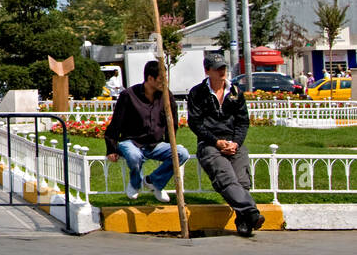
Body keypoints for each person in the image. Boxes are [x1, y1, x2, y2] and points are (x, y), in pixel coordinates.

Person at [187, 51, 264, 237]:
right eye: (217, 69)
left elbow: (243, 122)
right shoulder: (197, 93)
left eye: (223, 68)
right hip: (209, 143)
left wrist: (236, 143)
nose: (222, 72)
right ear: (207, 71)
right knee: (225, 175)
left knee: (242, 180)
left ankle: (243, 219)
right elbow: (195, 123)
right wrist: (216, 141)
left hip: (233, 143)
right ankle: (252, 212)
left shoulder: (236, 92)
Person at [104, 60, 187, 202]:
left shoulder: (166, 96)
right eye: (161, 79)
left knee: (181, 153)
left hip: (154, 144)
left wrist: (169, 143)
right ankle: (135, 183)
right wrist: (111, 148)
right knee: (134, 156)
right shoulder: (128, 95)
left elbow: (172, 122)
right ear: (150, 78)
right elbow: (116, 123)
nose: (164, 82)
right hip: (131, 141)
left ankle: (154, 182)